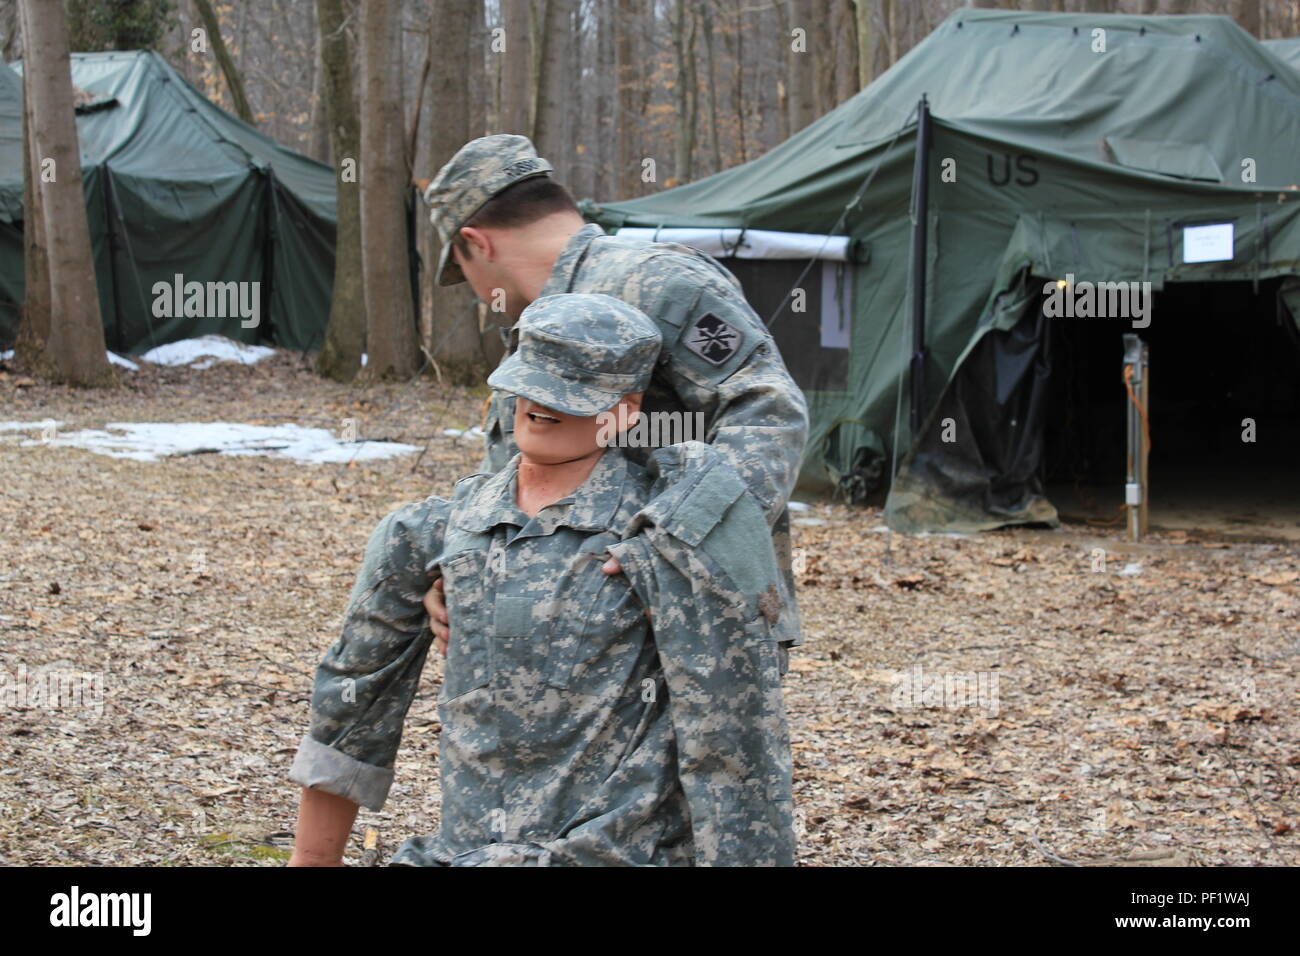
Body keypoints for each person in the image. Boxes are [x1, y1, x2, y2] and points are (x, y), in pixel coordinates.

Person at [287, 293, 795, 867]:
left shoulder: (666, 539)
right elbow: (351, 705)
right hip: (464, 851)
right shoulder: (430, 532)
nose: (543, 406)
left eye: (572, 394)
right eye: (535, 384)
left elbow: (736, 731)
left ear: (626, 410)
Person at [420, 134, 808, 666]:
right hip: (566, 638)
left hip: (681, 635)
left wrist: (675, 555)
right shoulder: (542, 320)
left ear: (477, 242)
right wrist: (464, 560)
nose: (472, 289)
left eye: (460, 269)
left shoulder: (657, 283)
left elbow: (768, 414)